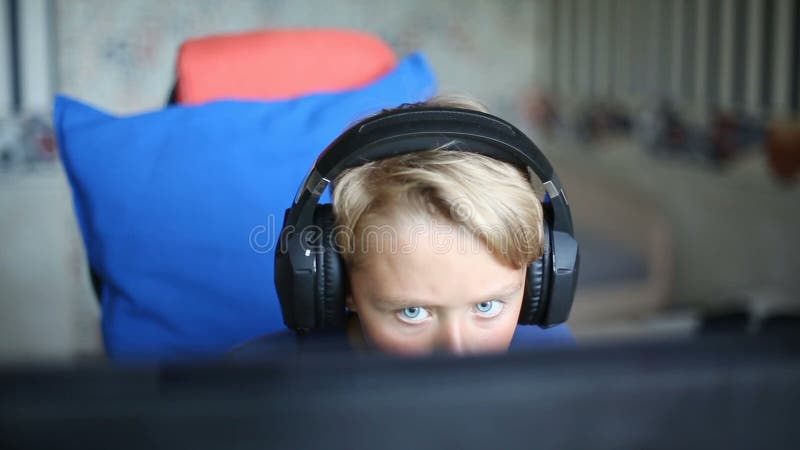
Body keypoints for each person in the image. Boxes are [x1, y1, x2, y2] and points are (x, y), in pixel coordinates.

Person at [232, 95, 574, 359]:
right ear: (340, 282)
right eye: (412, 312)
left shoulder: (555, 362)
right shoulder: (255, 386)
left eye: (487, 306)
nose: (455, 352)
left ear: (537, 283)